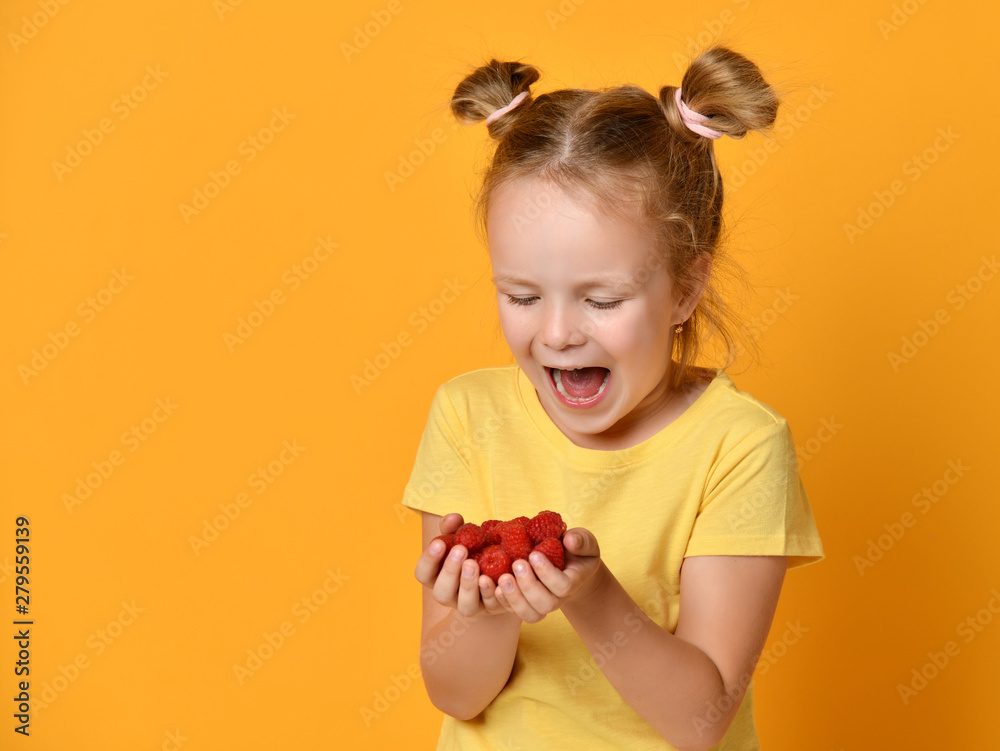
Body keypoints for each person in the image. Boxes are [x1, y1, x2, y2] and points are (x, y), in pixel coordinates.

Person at [402, 45, 824, 751]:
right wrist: (486, 607)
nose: (560, 332)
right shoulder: (467, 415)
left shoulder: (740, 446)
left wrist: (589, 595)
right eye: (523, 296)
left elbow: (699, 720)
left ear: (685, 287)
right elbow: (453, 691)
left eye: (602, 299)